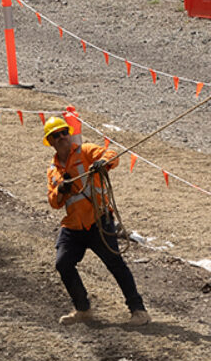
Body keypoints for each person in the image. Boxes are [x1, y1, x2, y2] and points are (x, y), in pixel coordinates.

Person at [44, 115, 147, 326]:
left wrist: (102, 163)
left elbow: (111, 155)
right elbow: (54, 202)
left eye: (65, 132)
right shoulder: (53, 171)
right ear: (51, 141)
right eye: (57, 135)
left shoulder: (86, 151)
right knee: (63, 264)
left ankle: (139, 311)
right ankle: (83, 309)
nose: (63, 137)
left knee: (116, 265)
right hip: (73, 227)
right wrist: (60, 190)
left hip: (98, 221)